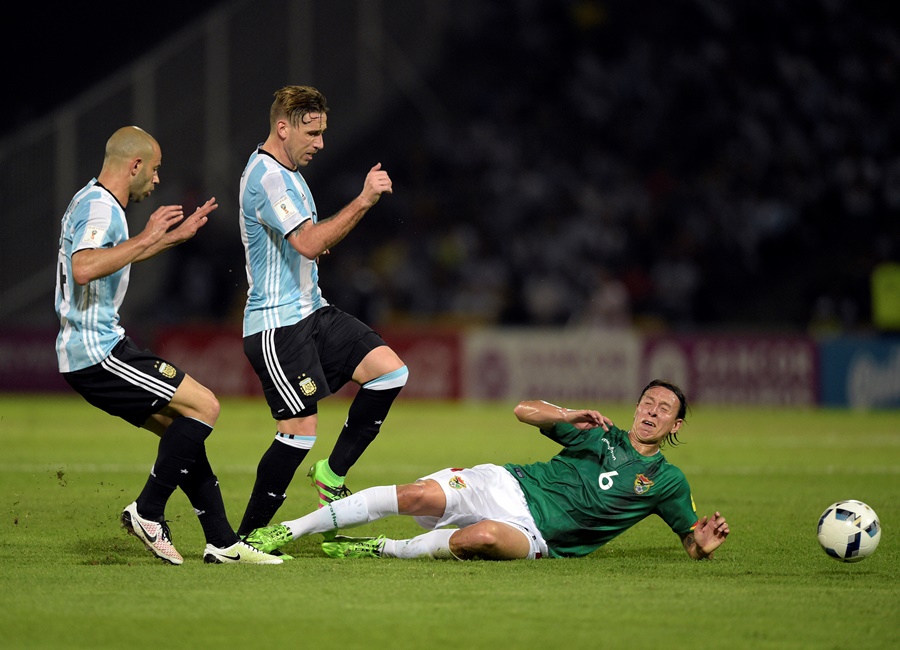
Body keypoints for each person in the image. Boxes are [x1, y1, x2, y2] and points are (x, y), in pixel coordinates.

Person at [54, 126, 281, 565]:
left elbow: (103, 259)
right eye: (154, 170)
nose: (157, 181)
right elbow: (83, 268)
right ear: (134, 165)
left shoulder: (89, 198)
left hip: (92, 349)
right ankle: (147, 510)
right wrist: (146, 237)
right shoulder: (102, 207)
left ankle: (222, 541)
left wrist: (164, 240)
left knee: (184, 435)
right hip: (96, 351)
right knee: (205, 407)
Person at [245, 380, 730, 561]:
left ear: (675, 424)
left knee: (483, 539)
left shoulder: (668, 481)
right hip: (507, 483)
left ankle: (380, 548)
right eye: (647, 401)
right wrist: (565, 414)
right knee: (416, 496)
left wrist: (701, 546)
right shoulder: (597, 431)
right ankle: (283, 532)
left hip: (539, 536)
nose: (650, 411)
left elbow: (690, 540)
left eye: (662, 408)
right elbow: (523, 410)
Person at [235, 85, 408, 540]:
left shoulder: (289, 174)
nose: (321, 143)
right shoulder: (269, 177)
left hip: (313, 312)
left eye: (323, 132)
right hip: (278, 325)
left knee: (389, 372)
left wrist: (317, 240)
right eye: (312, 133)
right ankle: (243, 539)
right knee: (298, 433)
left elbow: (307, 243)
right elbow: (309, 242)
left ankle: (331, 476)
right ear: (283, 127)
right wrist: (365, 200)